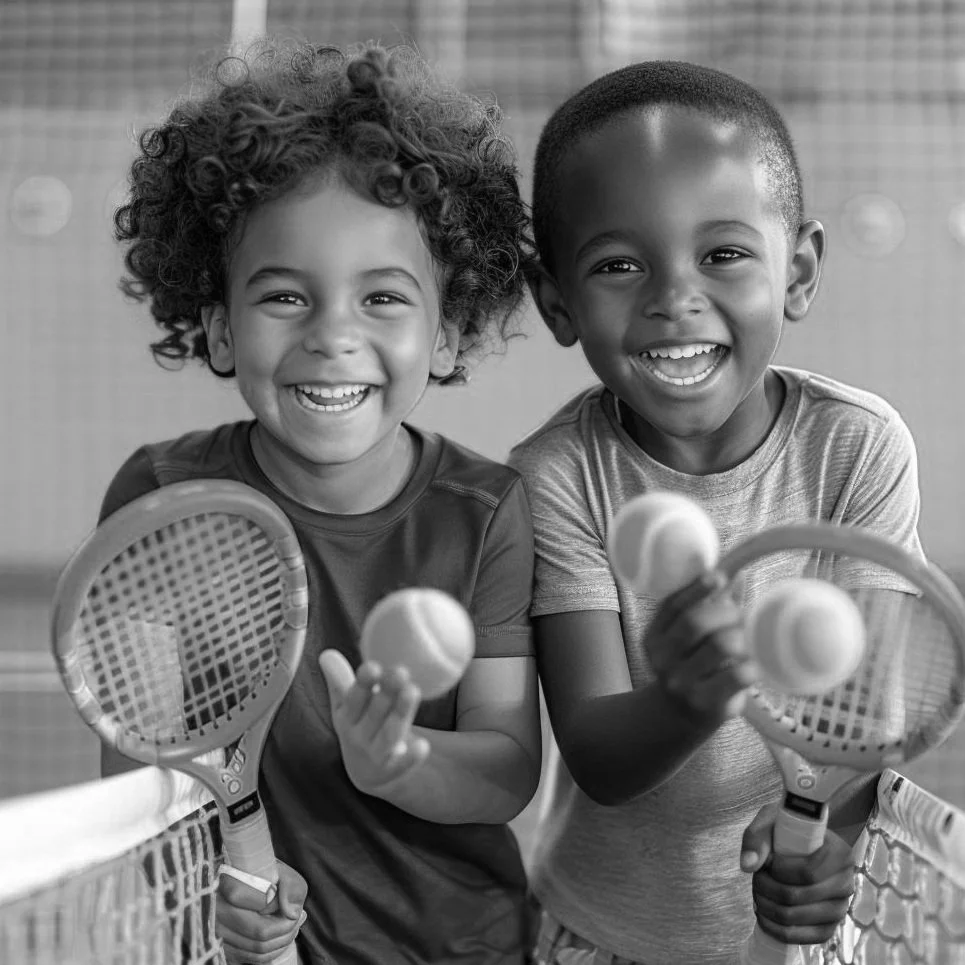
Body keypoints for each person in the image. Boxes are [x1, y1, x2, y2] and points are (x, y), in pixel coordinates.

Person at [100, 39, 542, 965]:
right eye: (284, 298)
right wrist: (223, 888)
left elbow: (505, 768)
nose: (333, 335)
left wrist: (402, 763)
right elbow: (138, 777)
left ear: (448, 334)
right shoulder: (159, 499)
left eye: (382, 297)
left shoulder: (487, 510)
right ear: (220, 327)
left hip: (459, 948)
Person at [508, 60, 923, 965]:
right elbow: (598, 755)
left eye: (723, 254)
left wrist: (827, 828)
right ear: (556, 302)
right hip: (597, 933)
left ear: (798, 270)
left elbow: (867, 716)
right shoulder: (554, 476)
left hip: (804, 922)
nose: (672, 296)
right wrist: (686, 699)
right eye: (618, 264)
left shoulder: (857, 447)